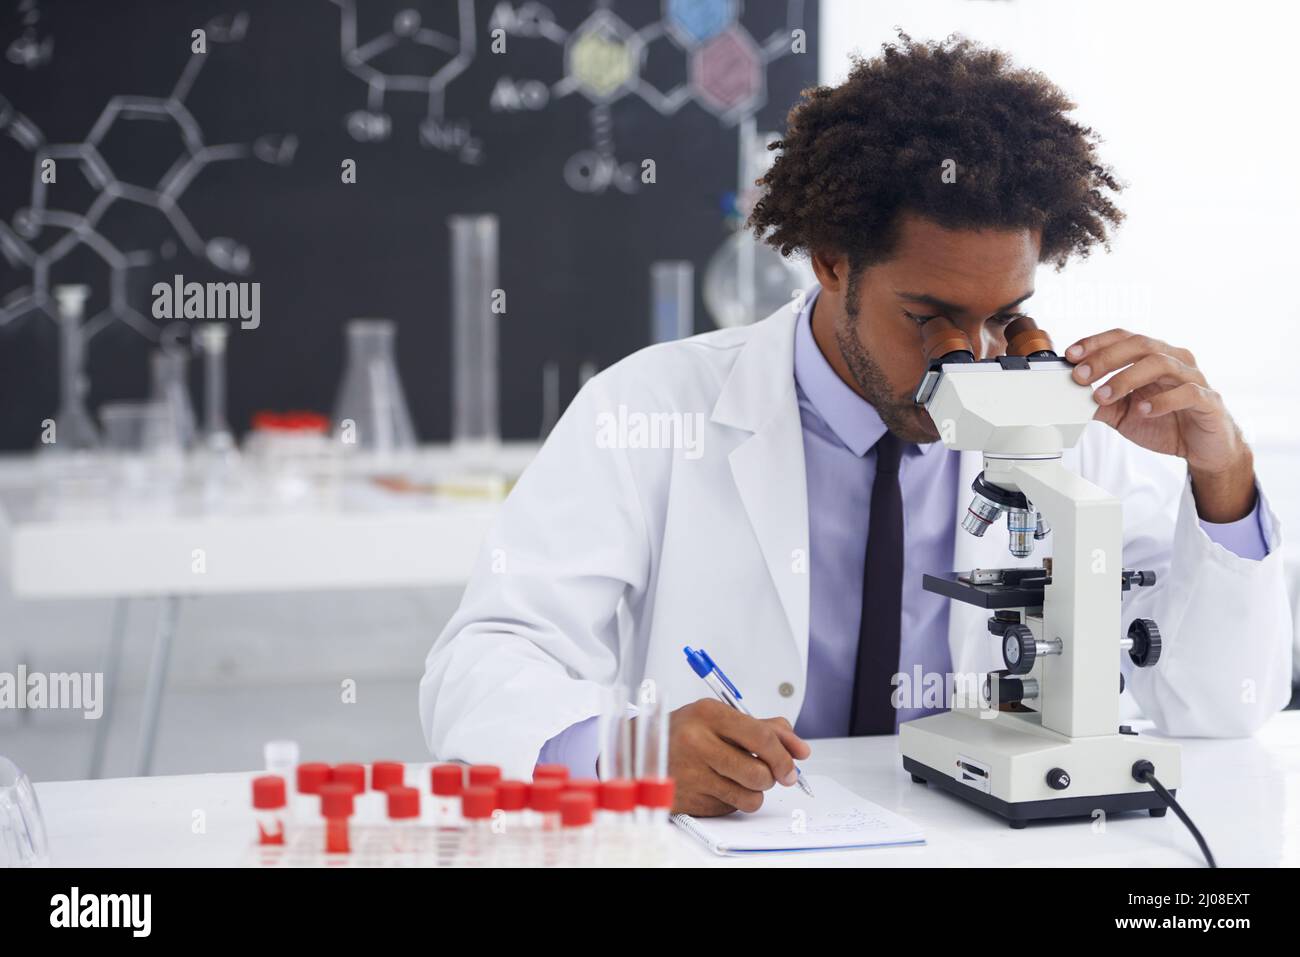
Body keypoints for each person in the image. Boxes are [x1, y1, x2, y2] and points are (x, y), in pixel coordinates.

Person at [420, 35, 1291, 816]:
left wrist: (1222, 480)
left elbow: (1221, 705)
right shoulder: (649, 410)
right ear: (833, 262)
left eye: (1007, 317)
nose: (977, 358)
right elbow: (481, 666)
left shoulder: (1071, 427)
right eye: (931, 318)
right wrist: (627, 748)